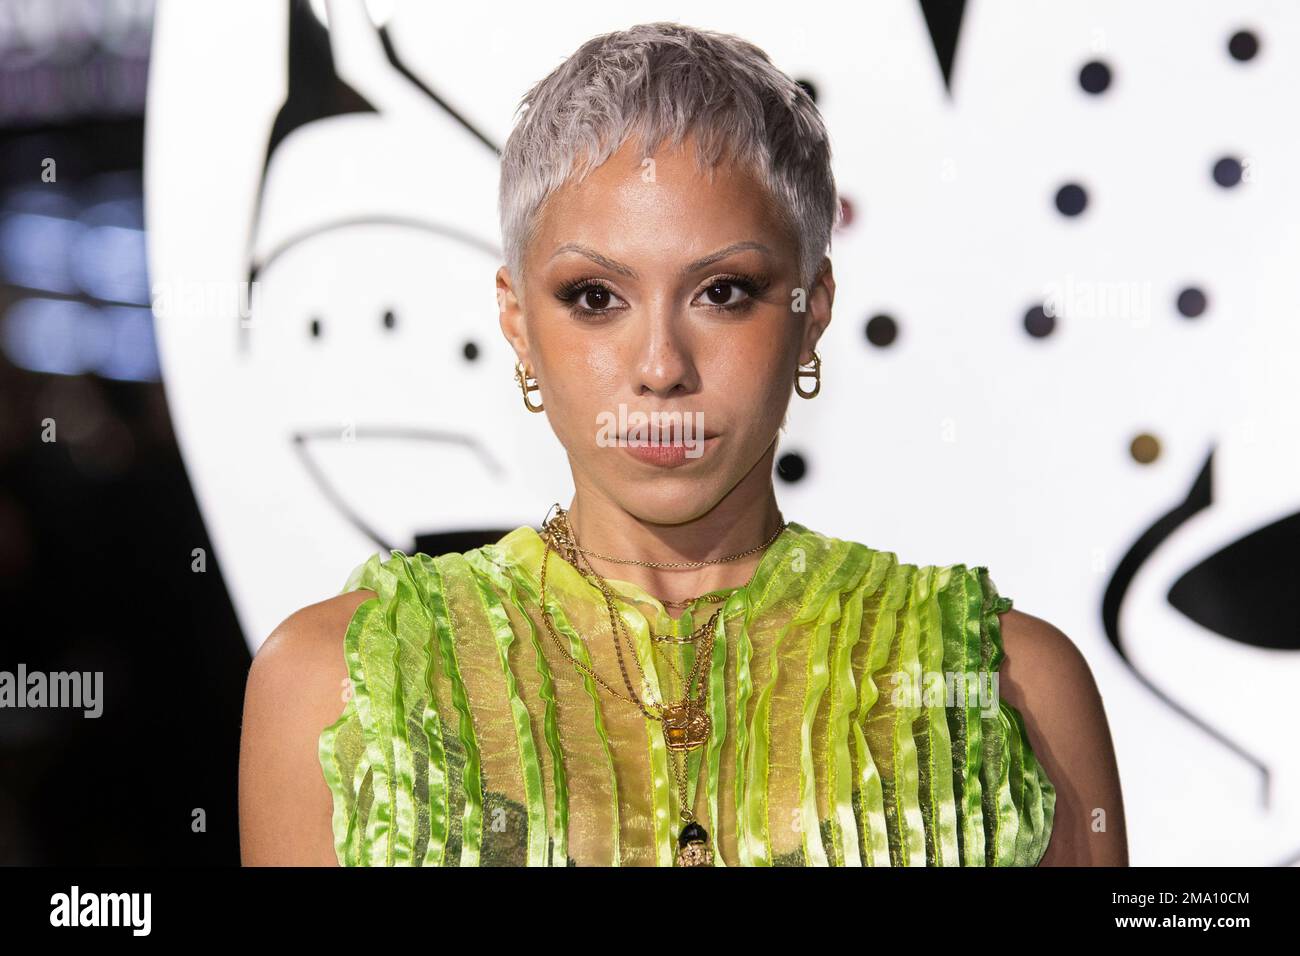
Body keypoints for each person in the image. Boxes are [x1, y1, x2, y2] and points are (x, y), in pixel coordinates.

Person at [239, 21, 1127, 866]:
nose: (660, 365)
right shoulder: (341, 686)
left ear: (809, 311)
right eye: (595, 297)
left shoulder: (1006, 685)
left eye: (724, 291)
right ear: (517, 321)